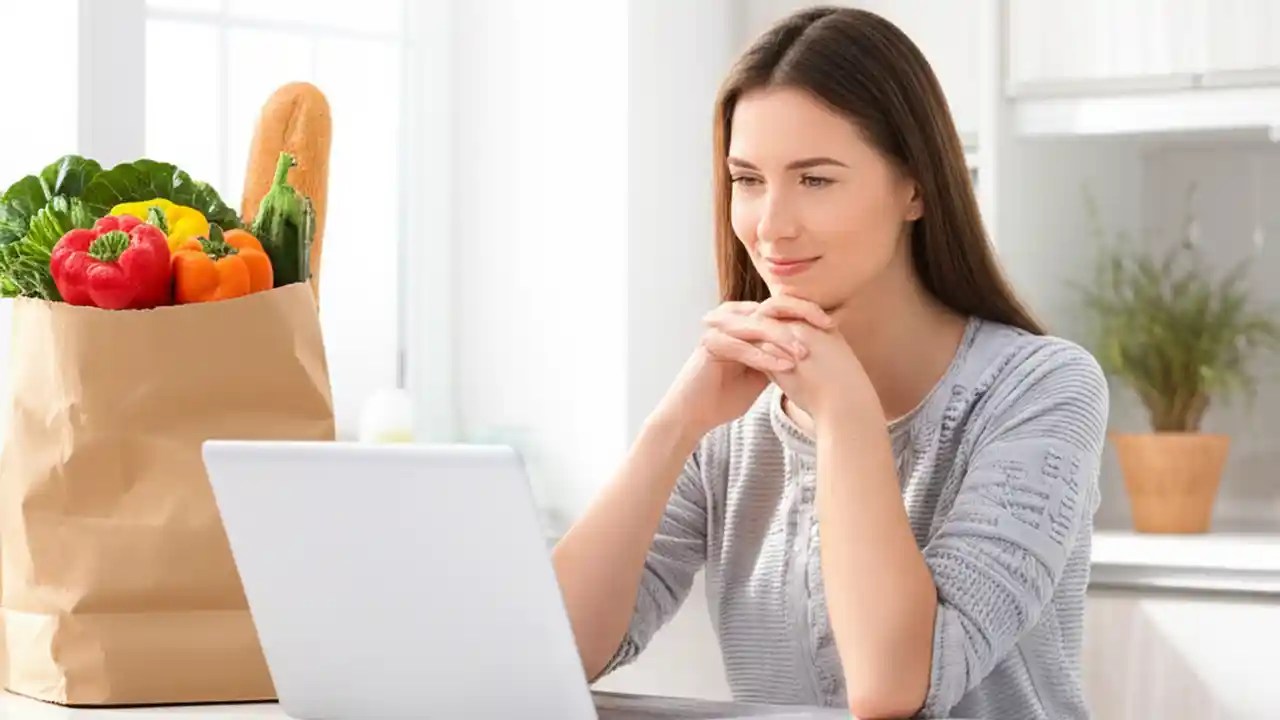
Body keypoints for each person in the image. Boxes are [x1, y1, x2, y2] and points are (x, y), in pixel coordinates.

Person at [551, 6, 1108, 720]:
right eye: (747, 180)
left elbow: (892, 686)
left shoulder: (1041, 389)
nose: (771, 223)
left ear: (915, 186)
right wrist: (674, 426)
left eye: (815, 180)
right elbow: (557, 650)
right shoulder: (730, 414)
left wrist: (846, 412)